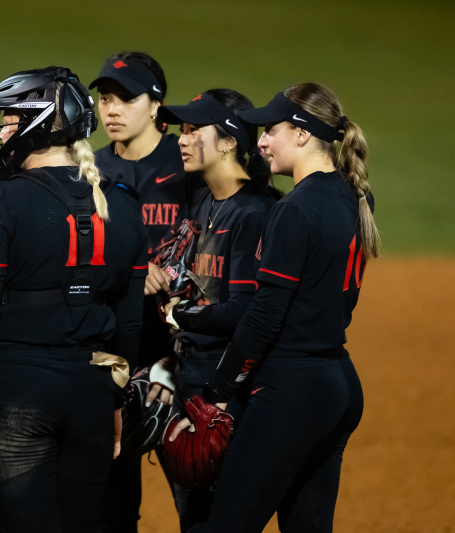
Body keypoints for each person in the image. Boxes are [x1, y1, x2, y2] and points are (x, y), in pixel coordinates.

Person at [0, 66, 149, 533]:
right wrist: (116, 400)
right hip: (92, 392)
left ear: (41, 122)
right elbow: (130, 324)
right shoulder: (125, 206)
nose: (2, 129)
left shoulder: (4, 201)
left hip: (15, 394)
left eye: (10, 118)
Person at [189, 83, 377, 533]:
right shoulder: (357, 196)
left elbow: (266, 315)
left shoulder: (295, 209)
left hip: (292, 390)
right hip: (337, 384)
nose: (263, 142)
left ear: (302, 134)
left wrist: (218, 388)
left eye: (271, 130)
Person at [147, 89, 277, 530]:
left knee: (220, 517)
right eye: (181, 130)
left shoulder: (254, 212)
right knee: (194, 513)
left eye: (191, 130)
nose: (181, 140)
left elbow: (245, 309)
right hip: (193, 375)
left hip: (230, 385)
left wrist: (181, 315)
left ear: (227, 141)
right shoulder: (204, 198)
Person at [90, 51, 204, 533]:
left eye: (126, 99)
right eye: (104, 99)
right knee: (112, 503)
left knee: (196, 494)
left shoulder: (187, 167)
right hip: (113, 351)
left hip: (180, 356)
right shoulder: (88, 168)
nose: (111, 110)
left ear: (156, 105)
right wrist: (136, 271)